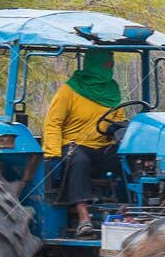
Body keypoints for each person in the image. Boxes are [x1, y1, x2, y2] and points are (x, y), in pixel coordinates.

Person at [44, 50, 125, 238]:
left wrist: (118, 129)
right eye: (106, 64)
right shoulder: (70, 90)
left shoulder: (112, 89)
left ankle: (128, 212)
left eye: (111, 64)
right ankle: (84, 218)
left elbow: (119, 118)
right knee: (79, 161)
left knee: (127, 160)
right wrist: (52, 155)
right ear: (93, 64)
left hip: (102, 146)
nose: (109, 68)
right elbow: (53, 123)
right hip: (72, 145)